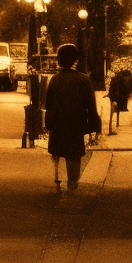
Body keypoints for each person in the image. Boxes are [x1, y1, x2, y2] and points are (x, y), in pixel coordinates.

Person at [44, 44, 100, 194]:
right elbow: (91, 105)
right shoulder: (83, 80)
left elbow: (48, 104)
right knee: (74, 155)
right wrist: (94, 125)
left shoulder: (55, 79)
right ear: (75, 59)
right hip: (76, 122)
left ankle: (57, 178)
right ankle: (72, 184)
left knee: (57, 151)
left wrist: (48, 122)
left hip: (58, 122)